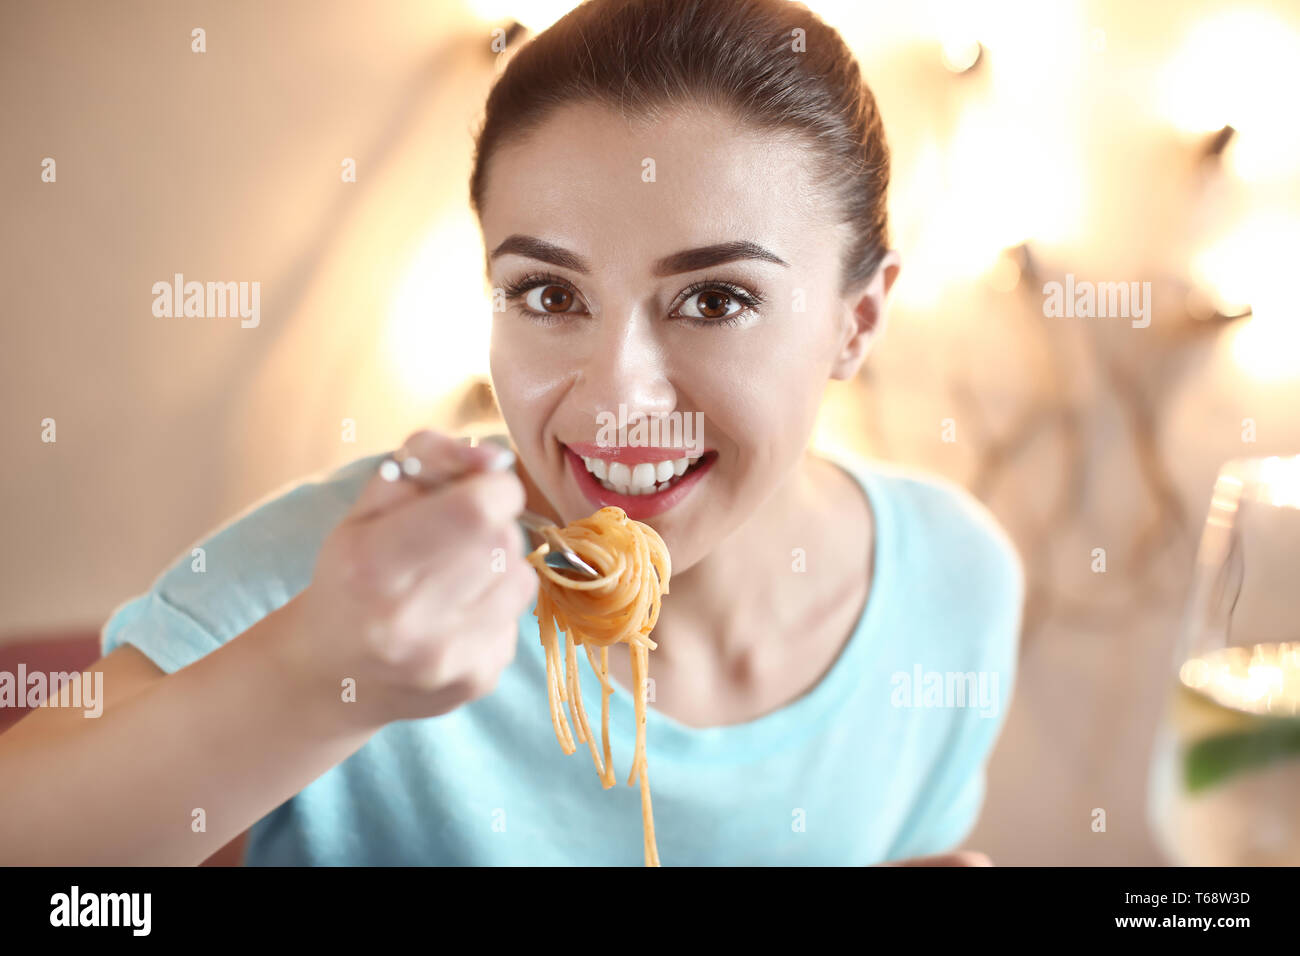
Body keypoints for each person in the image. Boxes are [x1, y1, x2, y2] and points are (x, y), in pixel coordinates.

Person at [0, 0, 1023, 865]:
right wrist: (308, 677)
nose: (616, 394)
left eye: (714, 300)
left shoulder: (955, 580)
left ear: (858, 319)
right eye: (546, 291)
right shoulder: (348, 580)